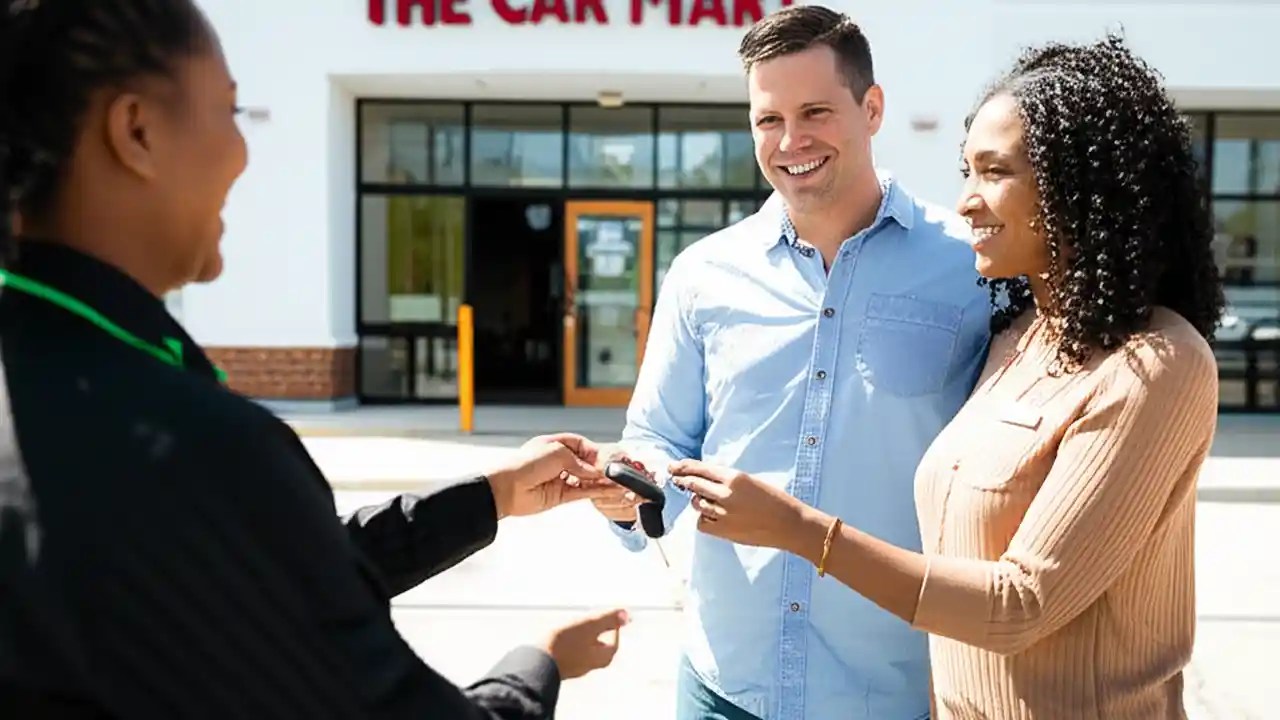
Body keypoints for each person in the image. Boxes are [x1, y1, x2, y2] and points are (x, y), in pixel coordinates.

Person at [0, 1, 629, 717]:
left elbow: (257, 573)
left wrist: (491, 496)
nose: (243, 151)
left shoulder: (57, 379)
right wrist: (536, 664)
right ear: (136, 130)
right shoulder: (188, 442)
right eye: (230, 111)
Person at [671, 34, 1225, 719]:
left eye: (995, 173)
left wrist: (795, 528)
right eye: (966, 172)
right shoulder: (1016, 337)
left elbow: (1020, 604)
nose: (966, 203)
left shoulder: (1156, 363)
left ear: (1077, 185)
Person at [589, 6, 992, 719]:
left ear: (872, 108)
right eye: (767, 119)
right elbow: (660, 437)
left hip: (891, 692)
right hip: (724, 686)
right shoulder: (703, 274)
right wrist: (633, 488)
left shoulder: (972, 269)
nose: (790, 141)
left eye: (814, 112)